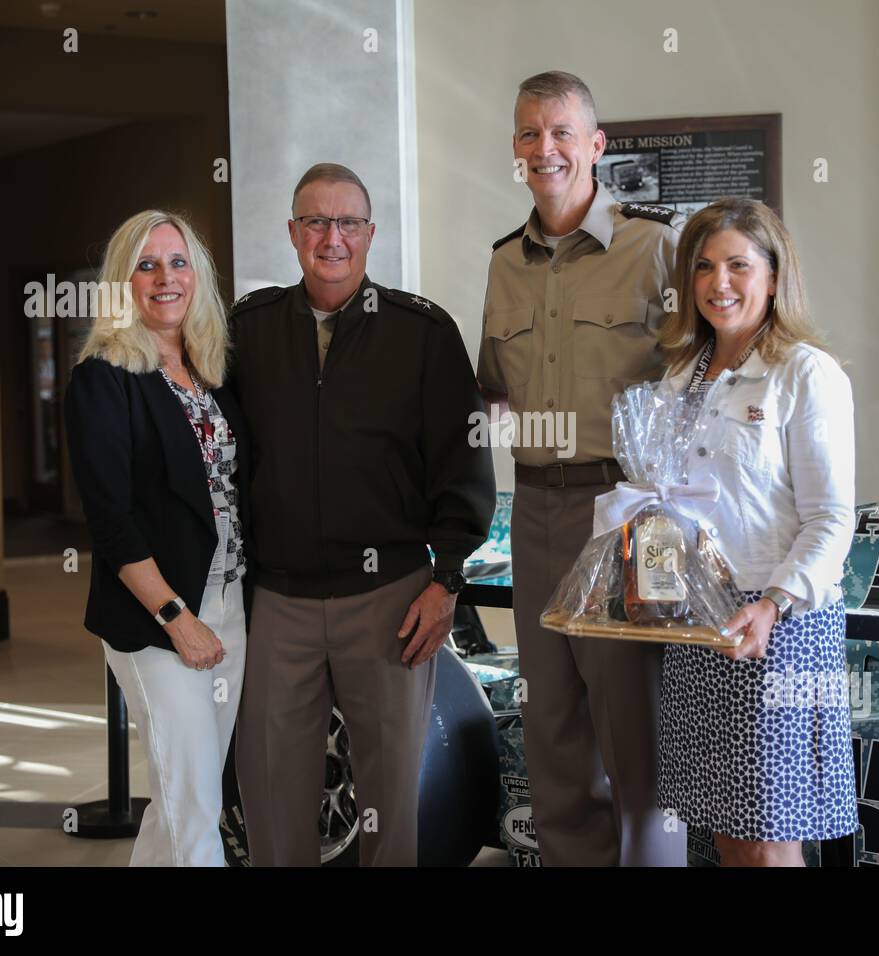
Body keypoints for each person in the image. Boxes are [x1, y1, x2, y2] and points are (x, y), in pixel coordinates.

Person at [229, 163, 495, 867]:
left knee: (391, 807)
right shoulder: (247, 331)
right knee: (272, 798)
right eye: (315, 221)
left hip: (390, 600)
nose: (332, 237)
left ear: (371, 234)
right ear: (292, 233)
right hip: (278, 601)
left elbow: (464, 469)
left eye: (347, 222)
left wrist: (449, 584)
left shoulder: (421, 331)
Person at [477, 71, 686, 866]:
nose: (545, 148)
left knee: (635, 725)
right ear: (516, 151)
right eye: (530, 134)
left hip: (630, 513)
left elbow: (699, 381)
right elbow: (494, 388)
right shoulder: (504, 264)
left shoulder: (656, 248)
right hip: (535, 509)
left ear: (596, 145)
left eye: (562, 132)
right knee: (553, 723)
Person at [654, 197, 858, 866]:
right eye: (704, 267)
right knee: (718, 841)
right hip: (697, 622)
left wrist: (772, 605)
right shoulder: (678, 378)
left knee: (767, 847)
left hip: (782, 630)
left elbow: (832, 518)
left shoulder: (806, 372)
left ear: (774, 275)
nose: (719, 284)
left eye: (739, 265)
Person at [64, 210, 252, 866]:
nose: (164, 277)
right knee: (194, 809)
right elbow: (112, 521)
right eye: (146, 264)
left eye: (177, 262)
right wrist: (176, 617)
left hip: (229, 605)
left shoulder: (212, 372)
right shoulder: (103, 378)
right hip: (157, 620)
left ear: (197, 275)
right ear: (123, 283)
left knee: (186, 802)